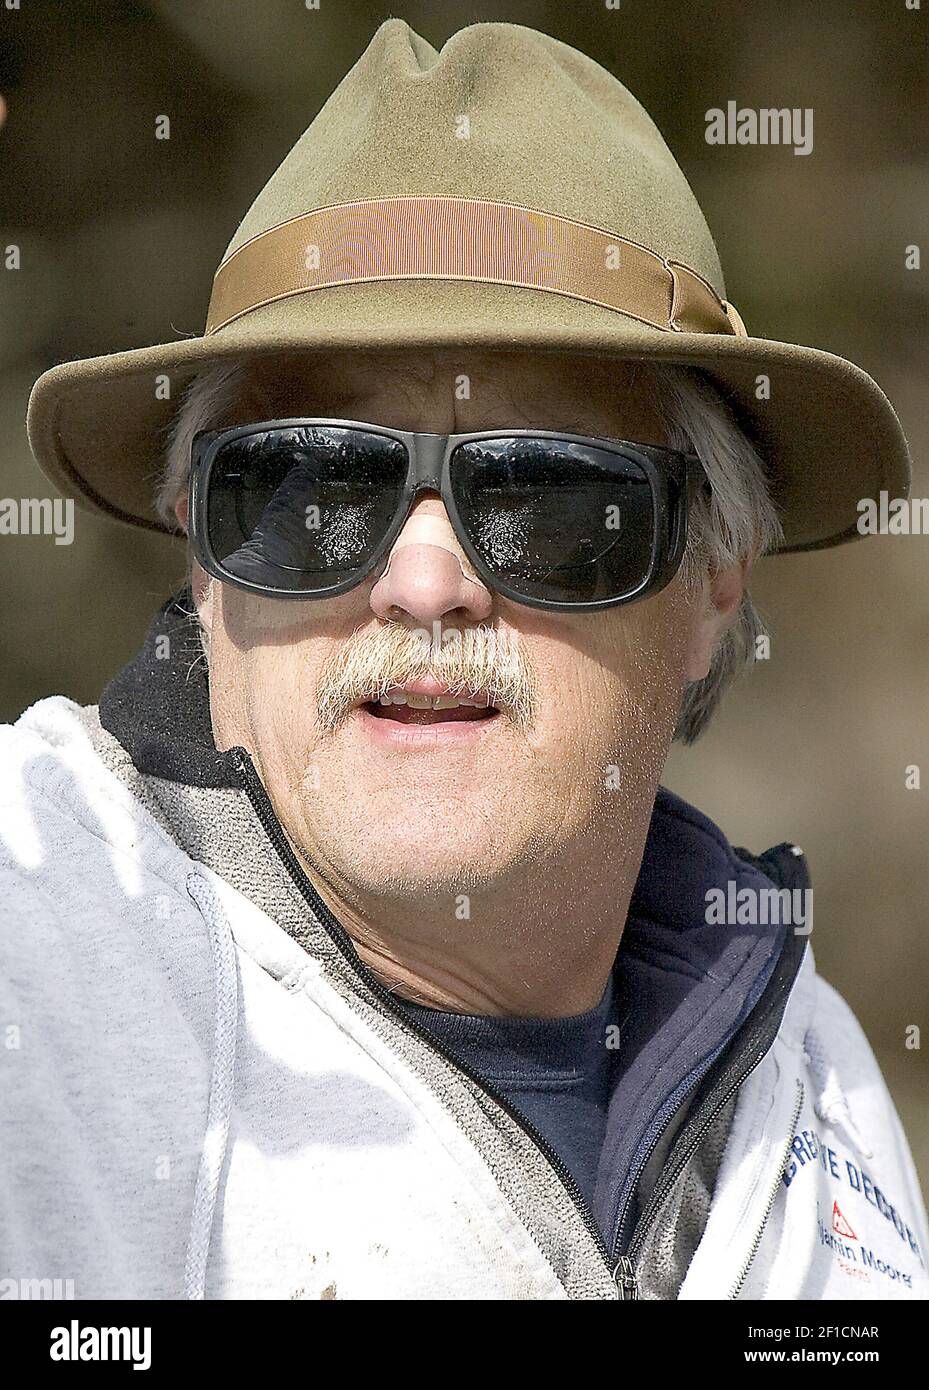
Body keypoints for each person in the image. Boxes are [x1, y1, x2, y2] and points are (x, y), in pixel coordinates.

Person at [3, 19, 926, 1301]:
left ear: (715, 576)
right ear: (203, 558)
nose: (424, 582)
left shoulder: (813, 1073)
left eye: (548, 497)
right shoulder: (26, 954)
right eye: (309, 485)